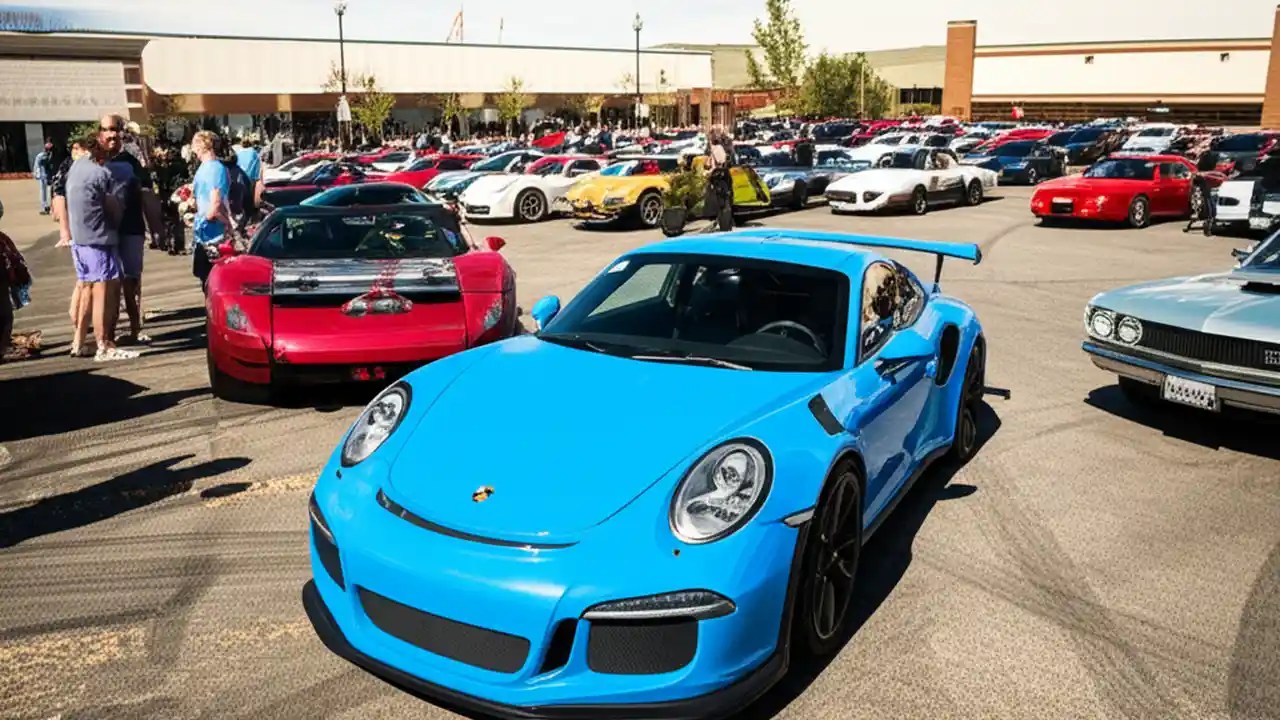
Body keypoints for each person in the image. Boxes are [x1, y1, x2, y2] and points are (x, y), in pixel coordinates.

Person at [63, 132, 136, 362]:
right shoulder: (102, 173)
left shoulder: (76, 167)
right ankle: (103, 344)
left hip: (79, 239)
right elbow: (114, 208)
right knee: (101, 291)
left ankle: (78, 341)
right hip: (98, 238)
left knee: (85, 287)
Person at [101, 113, 163, 346]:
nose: (113, 134)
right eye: (107, 129)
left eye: (116, 129)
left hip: (131, 228)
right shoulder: (94, 162)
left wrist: (156, 228)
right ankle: (106, 333)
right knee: (106, 282)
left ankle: (135, 328)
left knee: (131, 280)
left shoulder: (132, 162)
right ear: (100, 133)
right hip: (103, 232)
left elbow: (147, 196)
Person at [191, 130, 232, 292]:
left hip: (213, 235)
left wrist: (223, 222)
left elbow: (215, 204)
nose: (193, 149)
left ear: (202, 145)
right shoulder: (211, 169)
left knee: (212, 281)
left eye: (194, 145)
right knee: (209, 281)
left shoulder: (213, 169)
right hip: (206, 232)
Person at [0, 197, 34, 362]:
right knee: (5, 316)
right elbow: (14, 262)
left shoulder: (3, 241)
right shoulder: (3, 241)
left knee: (6, 316)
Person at [702, 127, 734, 232]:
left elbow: (721, 162)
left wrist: (711, 170)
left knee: (722, 202)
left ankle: (724, 224)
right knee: (719, 202)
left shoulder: (717, 148)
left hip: (720, 179)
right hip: (718, 178)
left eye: (709, 136)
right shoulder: (713, 149)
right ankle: (720, 221)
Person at [34, 141, 54, 214]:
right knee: (43, 192)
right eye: (47, 149)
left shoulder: (51, 156)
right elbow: (36, 165)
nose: (48, 150)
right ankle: (44, 206)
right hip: (43, 176)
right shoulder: (40, 156)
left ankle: (50, 206)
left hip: (49, 176)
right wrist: (36, 174)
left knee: (50, 191)